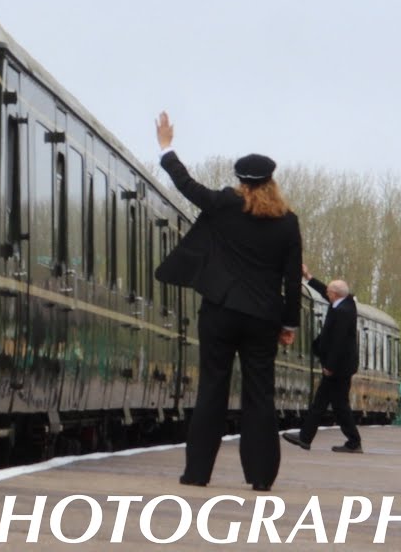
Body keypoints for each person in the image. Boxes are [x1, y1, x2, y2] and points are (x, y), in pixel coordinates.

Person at [154, 111, 301, 493]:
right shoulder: (288, 222)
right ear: (271, 180)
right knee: (260, 395)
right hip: (262, 319)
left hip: (219, 311)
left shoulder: (223, 205)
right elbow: (291, 278)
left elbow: (186, 185)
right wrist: (288, 324)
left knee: (212, 390)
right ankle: (261, 476)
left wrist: (167, 147)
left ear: (240, 181)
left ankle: (197, 473)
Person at [283, 266, 362, 453]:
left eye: (329, 292)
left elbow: (339, 342)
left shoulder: (343, 312)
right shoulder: (343, 303)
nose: (326, 293)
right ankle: (307, 438)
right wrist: (308, 277)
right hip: (340, 367)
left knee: (332, 405)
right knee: (330, 404)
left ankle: (351, 441)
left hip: (338, 367)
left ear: (335, 294)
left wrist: (330, 366)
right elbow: (324, 290)